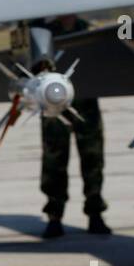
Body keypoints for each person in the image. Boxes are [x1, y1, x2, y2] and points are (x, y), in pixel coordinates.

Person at [38, 14, 111, 238]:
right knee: (54, 162)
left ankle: (95, 214)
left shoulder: (88, 30)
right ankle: (54, 217)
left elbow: (101, 64)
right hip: (54, 107)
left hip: (86, 104)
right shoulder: (44, 34)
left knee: (93, 161)